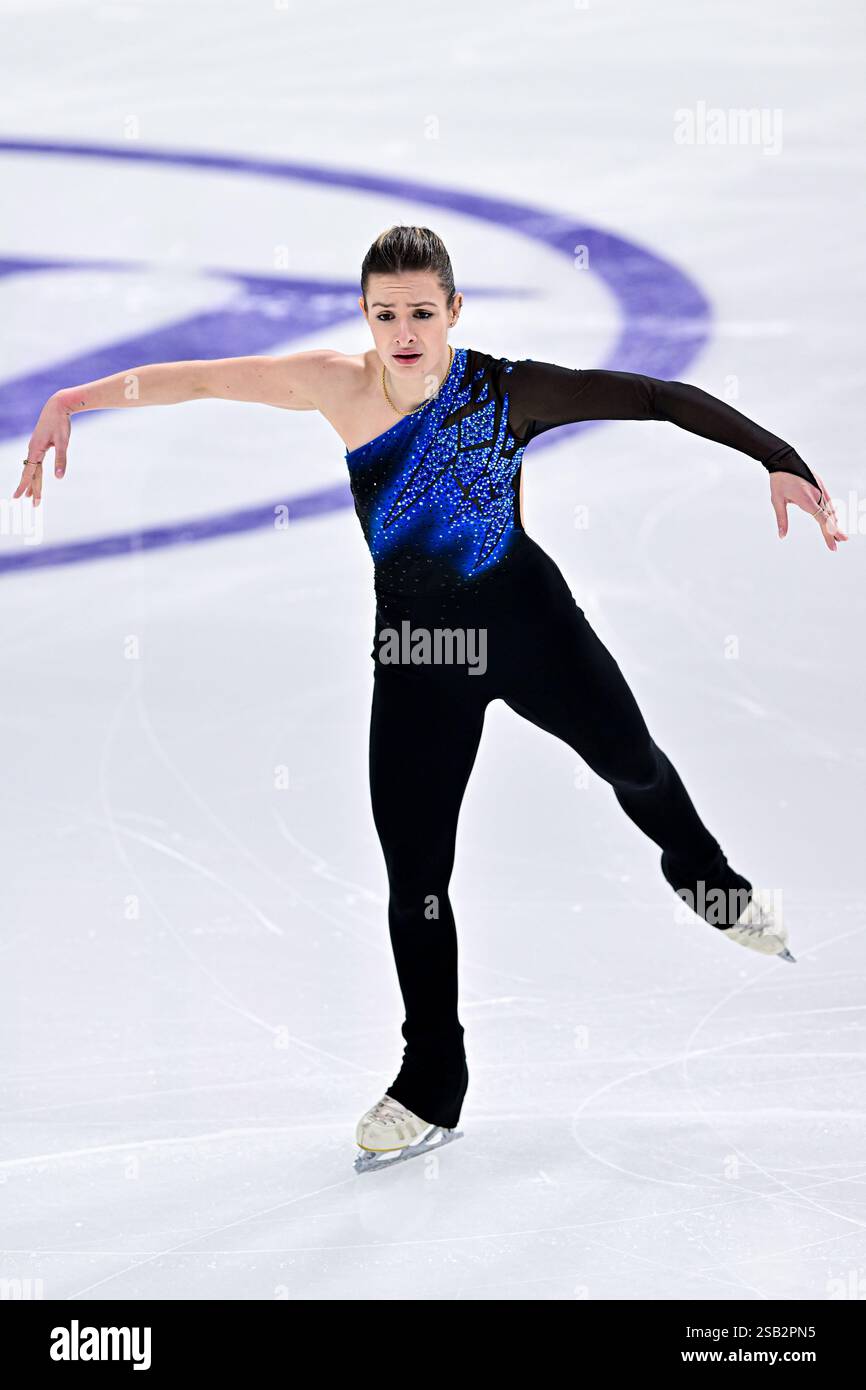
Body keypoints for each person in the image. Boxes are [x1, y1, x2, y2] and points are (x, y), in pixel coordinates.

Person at [16, 225, 845, 1169]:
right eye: (384, 314)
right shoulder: (334, 386)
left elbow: (655, 396)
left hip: (535, 634)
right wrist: (73, 397)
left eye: (421, 311)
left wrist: (779, 456)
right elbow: (204, 377)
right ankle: (431, 1080)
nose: (403, 332)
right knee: (417, 882)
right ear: (364, 316)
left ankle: (705, 879)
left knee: (635, 765)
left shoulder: (508, 390)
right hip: (416, 659)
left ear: (454, 310)